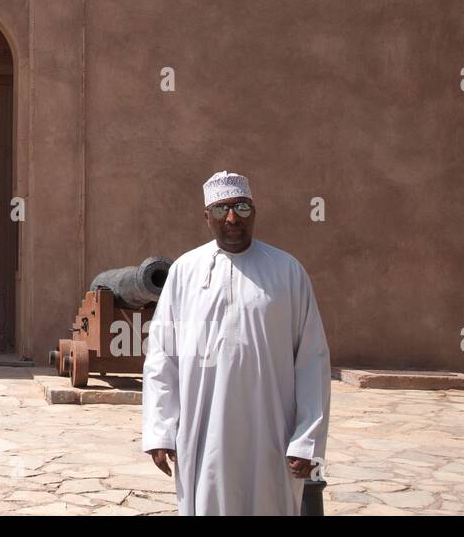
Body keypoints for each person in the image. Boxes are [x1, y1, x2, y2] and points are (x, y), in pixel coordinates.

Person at [141, 170, 331, 515]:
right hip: (203, 433)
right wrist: (160, 431)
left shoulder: (287, 271)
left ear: (254, 212)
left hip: (272, 433)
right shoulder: (185, 272)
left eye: (242, 208)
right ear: (206, 217)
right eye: (221, 209)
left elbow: (312, 360)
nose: (232, 218)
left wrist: (307, 441)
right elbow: (162, 357)